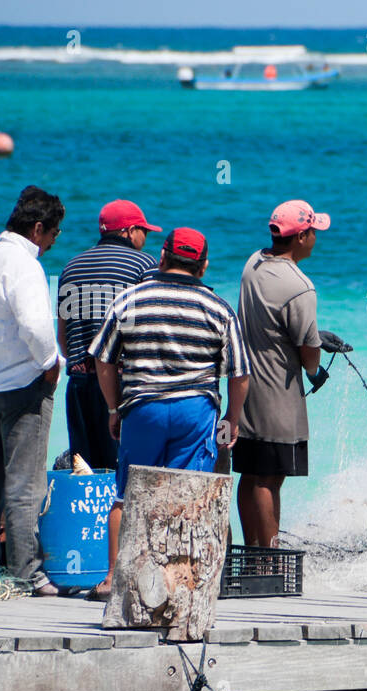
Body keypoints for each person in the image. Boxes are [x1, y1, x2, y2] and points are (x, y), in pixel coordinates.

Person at [86, 228, 250, 600]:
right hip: (195, 411)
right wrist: (233, 420)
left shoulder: (131, 300)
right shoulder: (218, 308)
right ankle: (178, 582)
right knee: (187, 496)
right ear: (204, 266)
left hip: (144, 409)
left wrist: (114, 407)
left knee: (127, 493)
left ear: (162, 257)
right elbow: (240, 373)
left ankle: (114, 578)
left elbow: (102, 358)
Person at [0, 185, 65, 596]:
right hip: (23, 383)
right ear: (38, 229)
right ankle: (27, 575)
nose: (55, 241)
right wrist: (51, 363)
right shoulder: (25, 266)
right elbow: (36, 326)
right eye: (55, 233)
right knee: (25, 484)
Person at [234, 200, 341, 547]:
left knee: (249, 475)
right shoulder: (301, 286)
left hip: (245, 387)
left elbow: (272, 322)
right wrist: (314, 369)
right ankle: (269, 558)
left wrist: (313, 338)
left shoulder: (253, 262)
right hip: (278, 396)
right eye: (314, 233)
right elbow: (308, 353)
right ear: (301, 237)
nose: (316, 240)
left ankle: (251, 552)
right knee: (270, 478)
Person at [57, 200, 160, 470]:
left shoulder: (71, 267)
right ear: (128, 231)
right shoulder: (145, 266)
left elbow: (63, 341)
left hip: (80, 384)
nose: (145, 238)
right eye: (144, 231)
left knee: (86, 471)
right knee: (128, 473)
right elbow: (149, 331)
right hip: (124, 385)